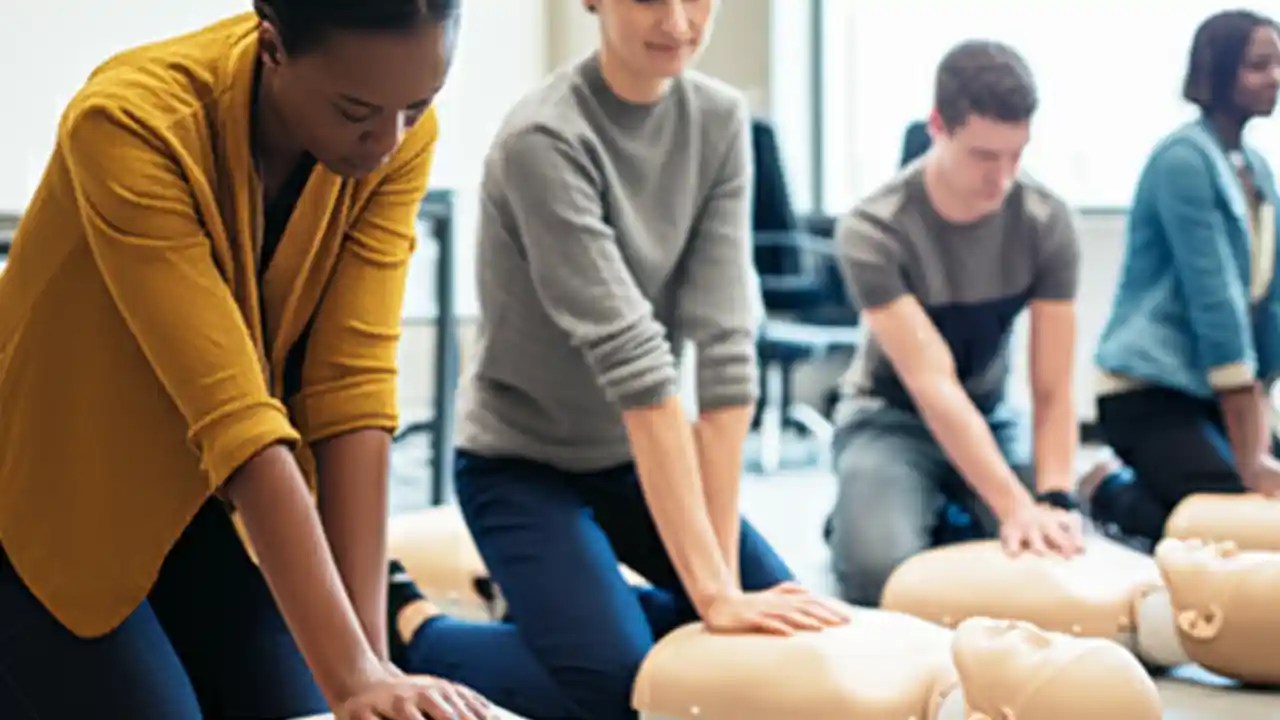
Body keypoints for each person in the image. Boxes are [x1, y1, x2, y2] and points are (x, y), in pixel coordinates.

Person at [0, 3, 492, 719]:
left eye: (417, 107)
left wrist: (371, 661)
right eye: (356, 108)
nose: (387, 142)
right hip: (44, 501)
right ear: (273, 47)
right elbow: (233, 414)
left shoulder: (393, 133)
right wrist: (351, 674)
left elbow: (349, 387)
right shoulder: (128, 121)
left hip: (206, 507)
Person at [383, 1, 849, 718]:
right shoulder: (544, 138)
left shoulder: (720, 120)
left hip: (634, 463)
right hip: (520, 464)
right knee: (614, 686)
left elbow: (726, 351)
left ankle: (557, 606)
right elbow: (641, 369)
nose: (676, 19)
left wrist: (722, 587)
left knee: (774, 630)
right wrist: (712, 595)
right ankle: (414, 623)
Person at [825, 39, 1088, 607]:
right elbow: (932, 383)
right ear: (938, 127)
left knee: (1060, 554)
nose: (1002, 178)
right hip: (889, 418)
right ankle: (876, 509)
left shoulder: (1048, 221)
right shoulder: (873, 228)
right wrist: (1012, 505)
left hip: (990, 418)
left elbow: (1052, 387)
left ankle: (946, 513)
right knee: (878, 572)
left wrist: (1054, 498)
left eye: (1016, 155)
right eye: (983, 156)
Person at [1084, 10, 1280, 548]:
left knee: (1264, 505)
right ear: (1216, 72)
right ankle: (1107, 490)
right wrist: (1252, 460)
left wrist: (1263, 425)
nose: (1277, 77)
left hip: (1212, 396)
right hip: (1147, 392)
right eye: (1259, 65)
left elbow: (1269, 304)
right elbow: (1215, 303)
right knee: (1235, 522)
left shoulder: (1257, 170)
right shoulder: (1183, 161)